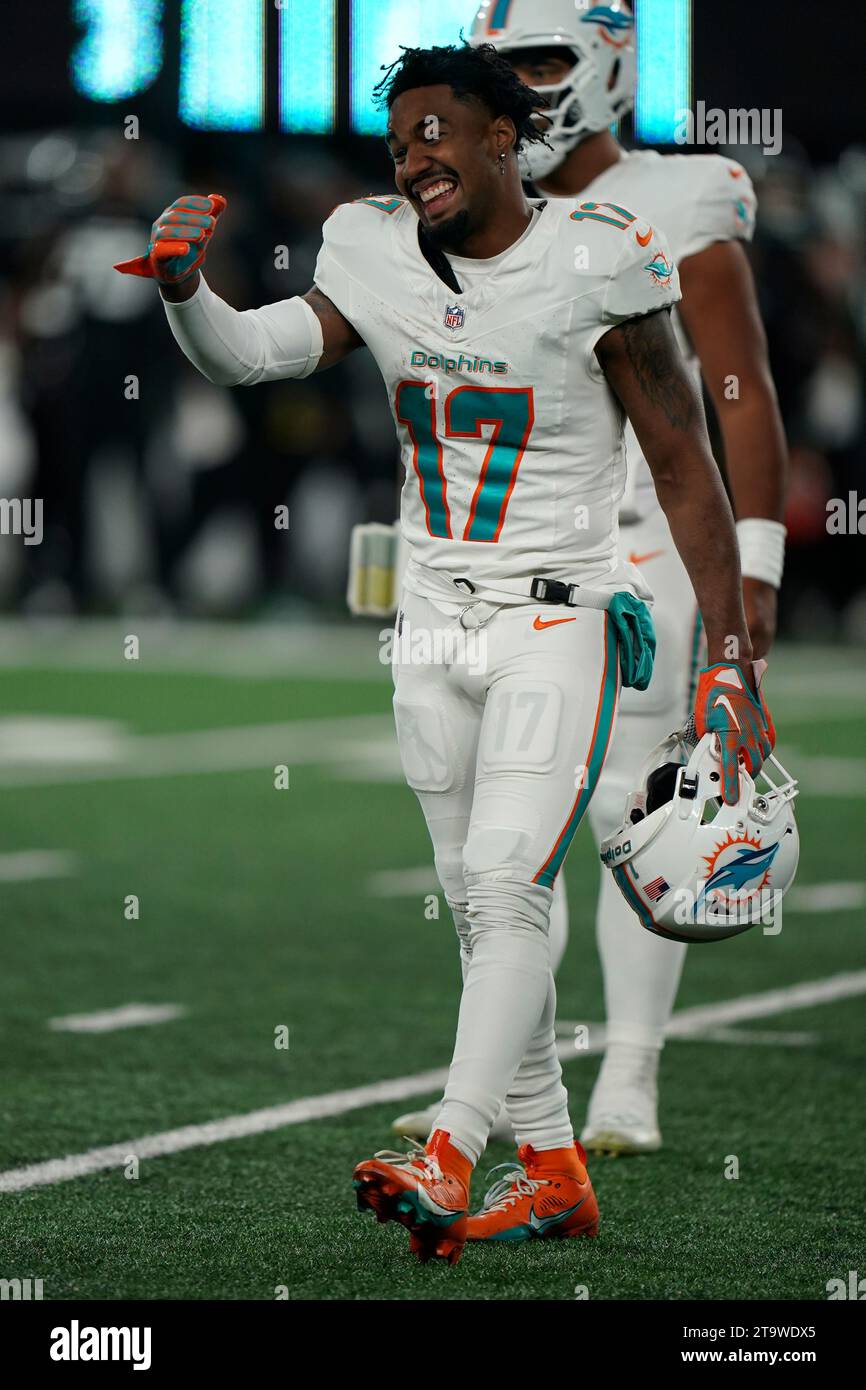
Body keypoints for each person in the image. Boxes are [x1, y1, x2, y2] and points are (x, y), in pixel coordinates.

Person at [115, 42, 774, 1264]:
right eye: (399, 138)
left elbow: (685, 469)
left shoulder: (598, 255)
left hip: (560, 610)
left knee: (506, 879)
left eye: (438, 133)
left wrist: (727, 659)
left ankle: (453, 1146)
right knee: (480, 912)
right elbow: (253, 354)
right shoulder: (368, 247)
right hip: (427, 615)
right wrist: (180, 291)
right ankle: (556, 1169)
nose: (413, 158)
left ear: (500, 140)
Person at [394, 0, 789, 1157]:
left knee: (632, 800)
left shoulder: (678, 196)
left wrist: (751, 563)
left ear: (611, 63)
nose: (522, 83)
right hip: (486, 551)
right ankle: (510, 1083)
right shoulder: (454, 198)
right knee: (480, 832)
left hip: (635, 540)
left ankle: (629, 1072)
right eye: (503, 63)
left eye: (543, 59)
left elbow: (735, 389)